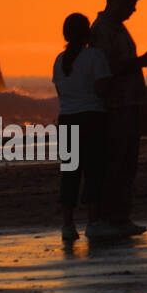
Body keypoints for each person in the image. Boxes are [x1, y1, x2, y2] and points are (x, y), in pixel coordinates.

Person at [87, 0, 147, 237]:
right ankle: (112, 217)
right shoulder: (102, 30)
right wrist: (140, 62)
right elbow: (108, 69)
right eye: (131, 4)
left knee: (127, 163)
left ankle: (121, 217)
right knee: (116, 163)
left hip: (128, 104)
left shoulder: (117, 29)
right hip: (115, 107)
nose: (133, 10)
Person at [51, 13, 119, 242]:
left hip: (67, 119)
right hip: (91, 117)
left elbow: (61, 93)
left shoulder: (60, 60)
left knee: (69, 173)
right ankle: (93, 221)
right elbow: (102, 88)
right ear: (87, 31)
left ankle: (67, 225)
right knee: (93, 171)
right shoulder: (95, 56)